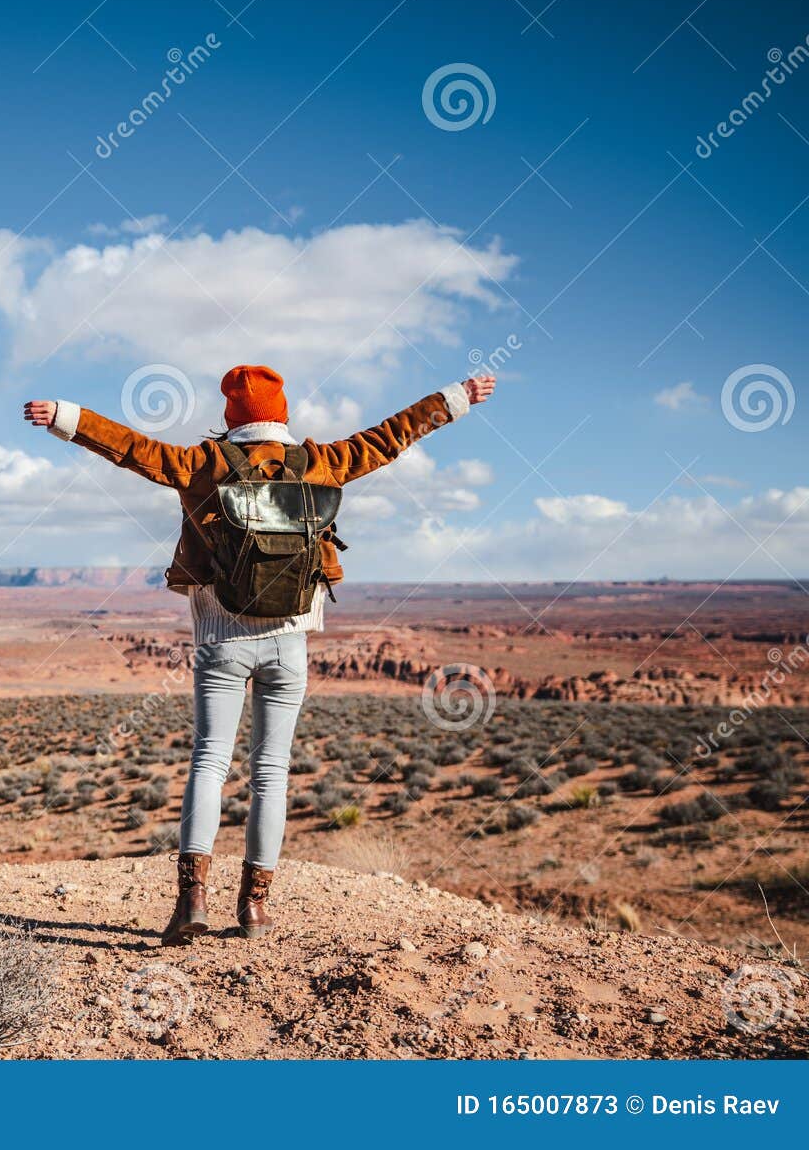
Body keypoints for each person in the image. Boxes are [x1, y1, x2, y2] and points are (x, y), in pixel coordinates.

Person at [24, 366, 497, 944]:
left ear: (229, 417)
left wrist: (66, 418)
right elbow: (390, 435)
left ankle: (191, 901)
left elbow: (131, 449)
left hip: (221, 638)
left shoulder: (204, 464)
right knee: (271, 771)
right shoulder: (319, 462)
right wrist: (453, 401)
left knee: (209, 761)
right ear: (285, 414)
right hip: (289, 641)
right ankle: (254, 908)